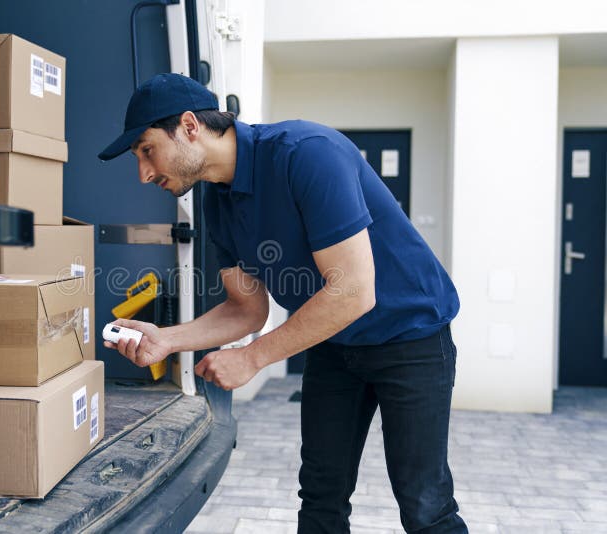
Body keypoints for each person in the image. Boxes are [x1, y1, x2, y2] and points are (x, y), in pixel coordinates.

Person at [98, 73, 467, 533]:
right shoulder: (215, 201)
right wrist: (167, 340)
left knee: (424, 506)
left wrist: (252, 357)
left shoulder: (307, 153)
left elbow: (353, 290)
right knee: (320, 497)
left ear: (190, 126)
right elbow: (246, 309)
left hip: (410, 339)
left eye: (147, 150)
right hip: (336, 346)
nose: (144, 173)